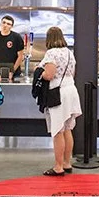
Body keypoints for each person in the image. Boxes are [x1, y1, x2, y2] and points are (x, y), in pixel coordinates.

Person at [40, 26, 80, 176]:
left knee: (58, 130)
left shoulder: (51, 53)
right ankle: (66, 163)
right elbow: (73, 73)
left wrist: (40, 73)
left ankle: (58, 167)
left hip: (58, 93)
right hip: (71, 91)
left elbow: (49, 75)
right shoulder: (69, 52)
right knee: (68, 129)